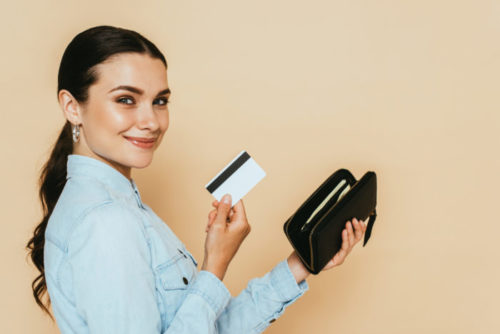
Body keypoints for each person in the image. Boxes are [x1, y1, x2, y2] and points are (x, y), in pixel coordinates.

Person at [26, 25, 368, 333]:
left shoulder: (121, 207)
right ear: (72, 107)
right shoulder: (105, 221)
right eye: (126, 100)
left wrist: (301, 263)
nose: (151, 121)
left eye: (160, 101)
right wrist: (215, 264)